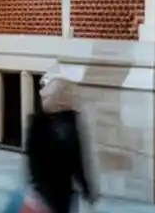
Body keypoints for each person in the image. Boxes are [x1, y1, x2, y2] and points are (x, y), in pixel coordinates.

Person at [24, 76, 96, 213]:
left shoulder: (71, 119)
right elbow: (32, 156)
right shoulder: (38, 122)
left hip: (65, 187)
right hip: (45, 188)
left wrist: (85, 186)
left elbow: (77, 156)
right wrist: (37, 187)